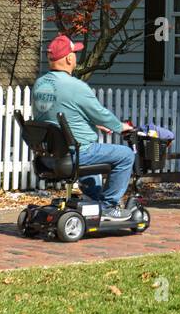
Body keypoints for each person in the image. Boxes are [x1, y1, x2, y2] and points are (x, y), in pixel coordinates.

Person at [31, 35, 136, 220]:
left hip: (50, 154)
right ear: (69, 58)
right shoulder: (75, 86)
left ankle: (92, 200)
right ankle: (109, 206)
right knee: (125, 156)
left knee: (93, 151)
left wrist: (92, 124)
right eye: (74, 53)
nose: (75, 57)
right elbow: (99, 112)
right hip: (76, 152)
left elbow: (57, 115)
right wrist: (121, 127)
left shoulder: (40, 84)